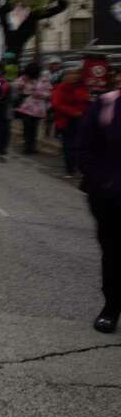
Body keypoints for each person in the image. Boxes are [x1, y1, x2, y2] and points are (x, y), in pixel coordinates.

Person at [77, 80, 121, 333]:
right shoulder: (106, 105)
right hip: (111, 198)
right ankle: (112, 307)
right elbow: (85, 149)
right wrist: (104, 183)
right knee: (114, 254)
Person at [52, 69, 90, 178]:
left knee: (79, 144)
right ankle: (70, 169)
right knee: (68, 145)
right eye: (71, 74)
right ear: (65, 76)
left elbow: (85, 101)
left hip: (81, 119)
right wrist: (73, 112)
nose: (73, 76)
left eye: (76, 74)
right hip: (66, 120)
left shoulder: (82, 87)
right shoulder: (61, 88)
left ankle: (79, 167)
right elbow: (56, 104)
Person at [15, 62, 52, 155]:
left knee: (34, 128)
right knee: (27, 127)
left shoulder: (44, 80)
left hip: (38, 109)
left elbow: (49, 94)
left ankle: (32, 147)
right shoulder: (25, 78)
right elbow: (17, 86)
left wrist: (37, 93)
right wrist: (23, 81)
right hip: (26, 107)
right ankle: (27, 146)